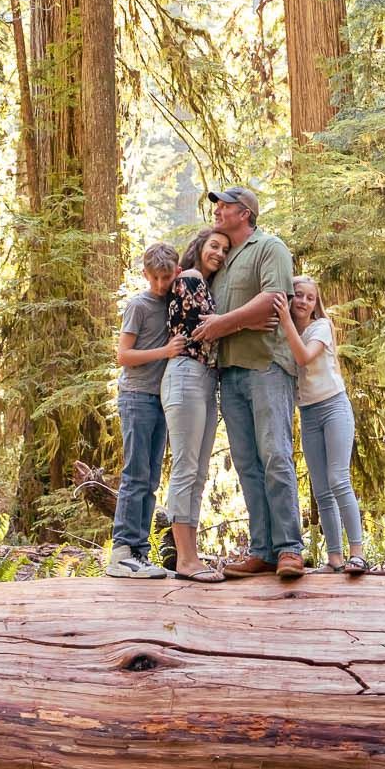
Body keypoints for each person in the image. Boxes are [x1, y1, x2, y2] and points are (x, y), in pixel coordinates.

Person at [191, 186, 304, 581]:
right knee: (247, 464)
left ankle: (290, 548)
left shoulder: (269, 247)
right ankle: (263, 551)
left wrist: (223, 324)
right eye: (217, 205)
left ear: (245, 212)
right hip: (230, 371)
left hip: (266, 366)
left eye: (224, 205)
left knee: (275, 454)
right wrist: (233, 322)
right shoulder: (221, 258)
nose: (218, 210)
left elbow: (274, 300)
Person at [273, 277, 366, 576]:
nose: (302, 301)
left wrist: (285, 319)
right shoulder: (286, 332)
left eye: (309, 298)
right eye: (297, 295)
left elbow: (303, 356)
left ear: (316, 304)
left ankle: (358, 554)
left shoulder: (320, 327)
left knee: (339, 480)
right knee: (321, 490)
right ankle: (335, 558)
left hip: (334, 407)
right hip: (309, 414)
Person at [107, 242, 183, 579]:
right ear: (145, 275)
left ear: (176, 272)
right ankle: (122, 551)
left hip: (160, 400)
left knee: (151, 479)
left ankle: (139, 552)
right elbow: (123, 356)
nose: (160, 285)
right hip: (136, 396)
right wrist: (164, 351)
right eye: (154, 278)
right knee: (135, 476)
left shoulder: (174, 303)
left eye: (166, 277)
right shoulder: (138, 304)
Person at [161, 227, 230, 583]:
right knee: (187, 467)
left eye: (224, 249)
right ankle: (184, 559)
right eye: (213, 246)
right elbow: (205, 329)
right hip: (186, 373)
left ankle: (191, 555)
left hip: (205, 377)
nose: (218, 252)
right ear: (199, 247)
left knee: (199, 471)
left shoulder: (206, 285)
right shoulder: (189, 278)